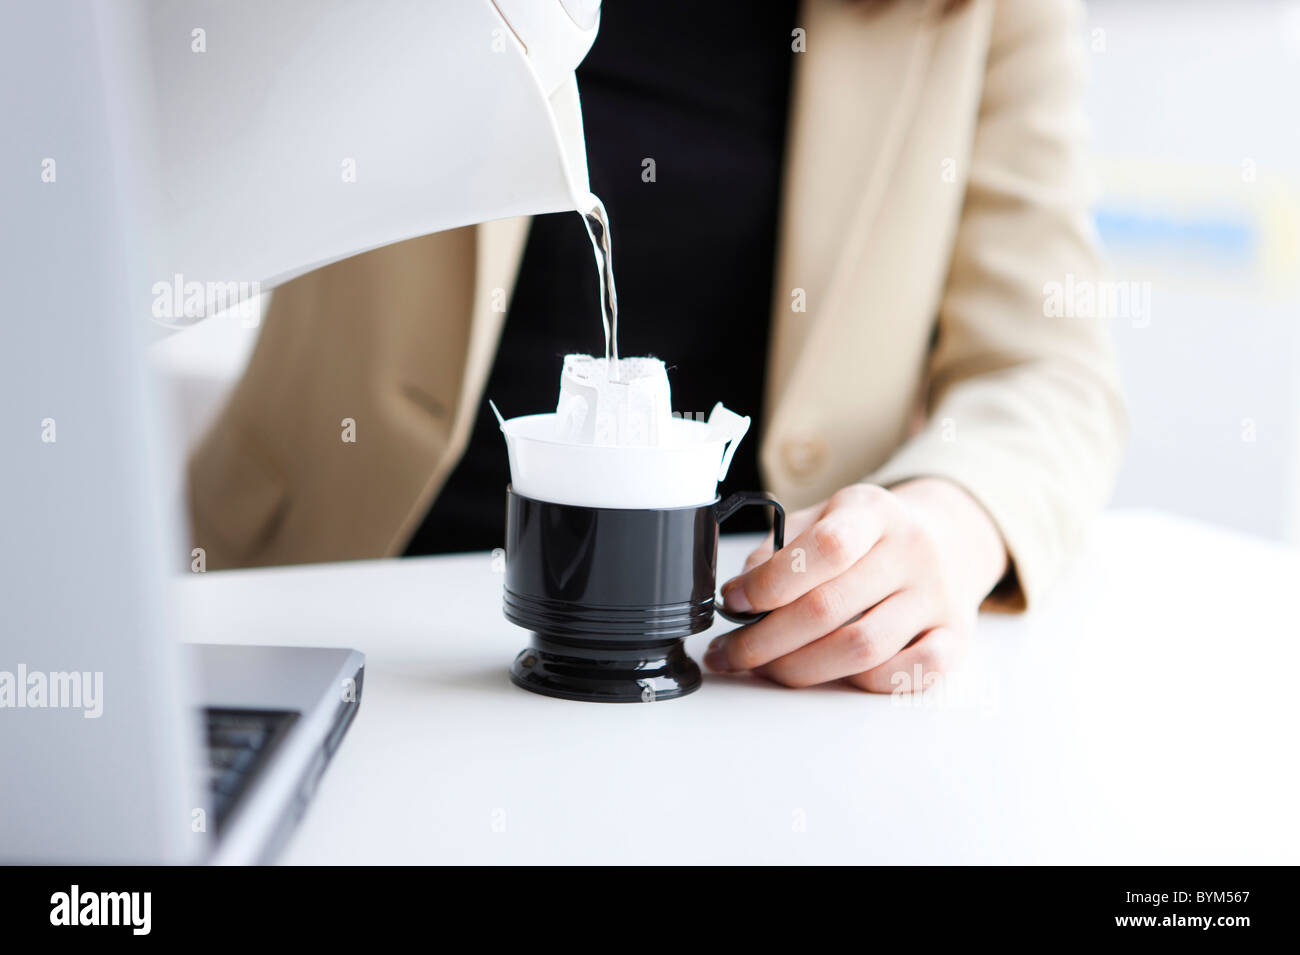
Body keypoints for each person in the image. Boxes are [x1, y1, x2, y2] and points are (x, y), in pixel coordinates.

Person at [187, 0, 1125, 693]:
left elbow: (1047, 364)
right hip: (329, 587)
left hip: (749, 659)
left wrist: (952, 522)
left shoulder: (989, 17)